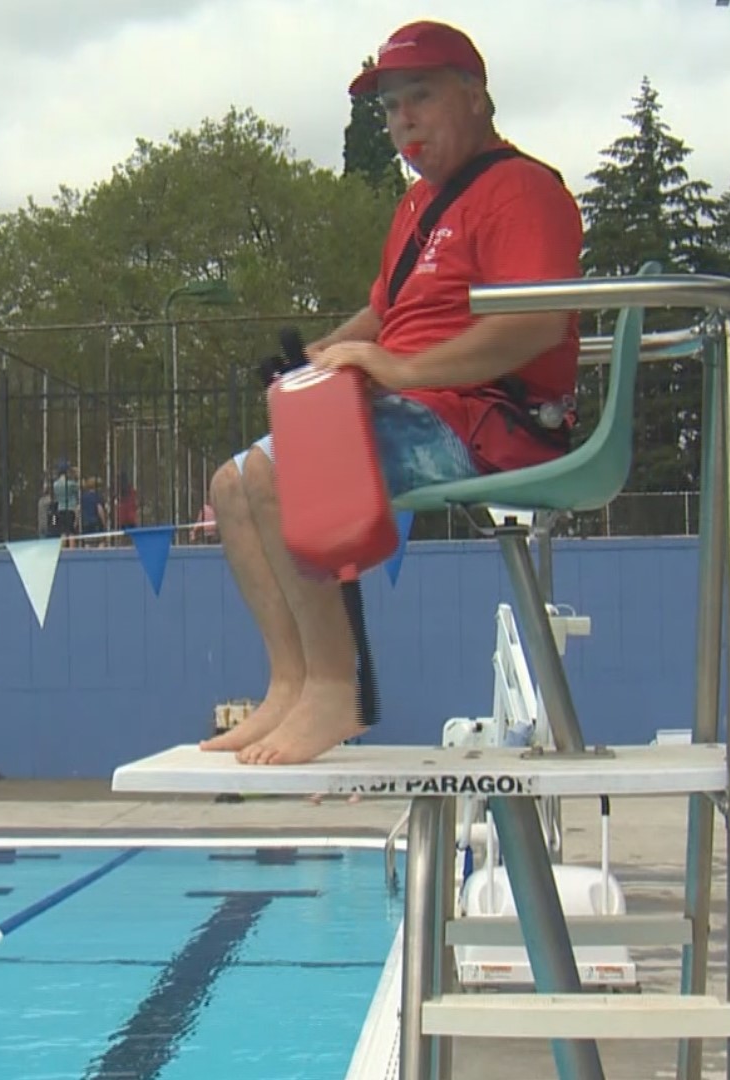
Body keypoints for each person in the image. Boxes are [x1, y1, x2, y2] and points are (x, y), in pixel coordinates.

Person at [201, 20, 582, 766]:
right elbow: (386, 313)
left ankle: (340, 691)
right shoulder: (417, 207)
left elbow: (538, 326)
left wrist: (395, 369)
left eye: (420, 97)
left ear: (474, 98)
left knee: (283, 474)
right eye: (389, 108)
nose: (402, 121)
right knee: (232, 484)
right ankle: (292, 683)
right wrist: (317, 362)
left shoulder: (523, 192)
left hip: (485, 421)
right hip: (407, 404)